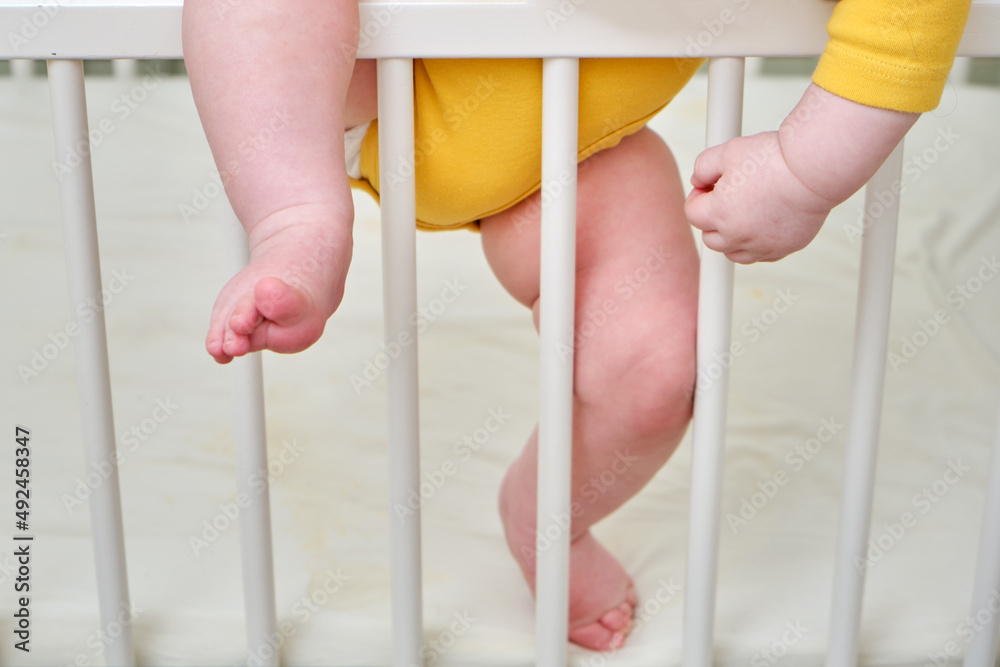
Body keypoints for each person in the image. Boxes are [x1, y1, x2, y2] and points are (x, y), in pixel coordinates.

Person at [181, 0, 971, 651]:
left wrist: (809, 166)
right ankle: (293, 211)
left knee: (658, 369)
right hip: (368, 77)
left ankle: (548, 514)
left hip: (577, 150)